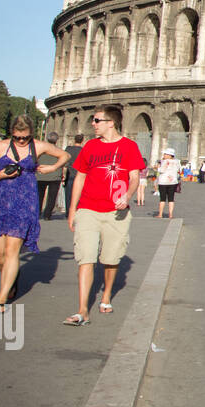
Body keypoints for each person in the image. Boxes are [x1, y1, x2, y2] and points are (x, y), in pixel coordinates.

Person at [64, 105, 145, 326]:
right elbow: (80, 177)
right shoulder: (90, 146)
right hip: (88, 209)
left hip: (116, 212)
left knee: (110, 259)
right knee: (85, 258)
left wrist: (127, 196)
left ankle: (107, 294)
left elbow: (135, 178)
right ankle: (82, 310)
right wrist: (72, 209)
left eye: (97, 120)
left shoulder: (129, 147)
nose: (93, 123)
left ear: (111, 122)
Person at [0, 116, 68, 310]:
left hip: (25, 202)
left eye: (25, 137)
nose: (21, 141)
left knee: (12, 251)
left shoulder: (37, 146)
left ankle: (1, 299)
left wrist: (52, 167)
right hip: (0, 201)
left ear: (31, 134)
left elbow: (65, 155)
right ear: (12, 133)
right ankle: (12, 275)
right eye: (18, 137)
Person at [61, 134, 84, 214]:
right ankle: (76, 211)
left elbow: (65, 163)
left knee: (68, 195)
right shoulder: (83, 150)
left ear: (74, 140)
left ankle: (68, 212)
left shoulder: (68, 149)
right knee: (78, 195)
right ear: (82, 141)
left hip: (69, 174)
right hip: (79, 175)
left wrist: (63, 175)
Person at [155, 148, 180, 218]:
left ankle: (160, 214)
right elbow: (178, 170)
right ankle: (171, 214)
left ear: (170, 155)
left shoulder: (165, 161)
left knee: (162, 198)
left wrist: (158, 167)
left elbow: (162, 170)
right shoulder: (177, 162)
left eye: (165, 154)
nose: (164, 155)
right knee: (171, 199)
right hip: (173, 182)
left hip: (163, 182)